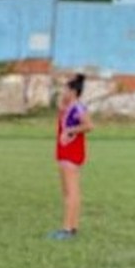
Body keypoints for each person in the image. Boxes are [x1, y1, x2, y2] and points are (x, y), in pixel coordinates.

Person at [49, 73, 92, 239]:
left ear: (73, 92)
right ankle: (72, 226)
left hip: (72, 152)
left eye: (66, 89)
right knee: (68, 191)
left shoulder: (78, 108)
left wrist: (71, 131)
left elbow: (89, 125)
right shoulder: (68, 107)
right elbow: (60, 105)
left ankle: (67, 229)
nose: (63, 92)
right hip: (64, 151)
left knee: (71, 192)